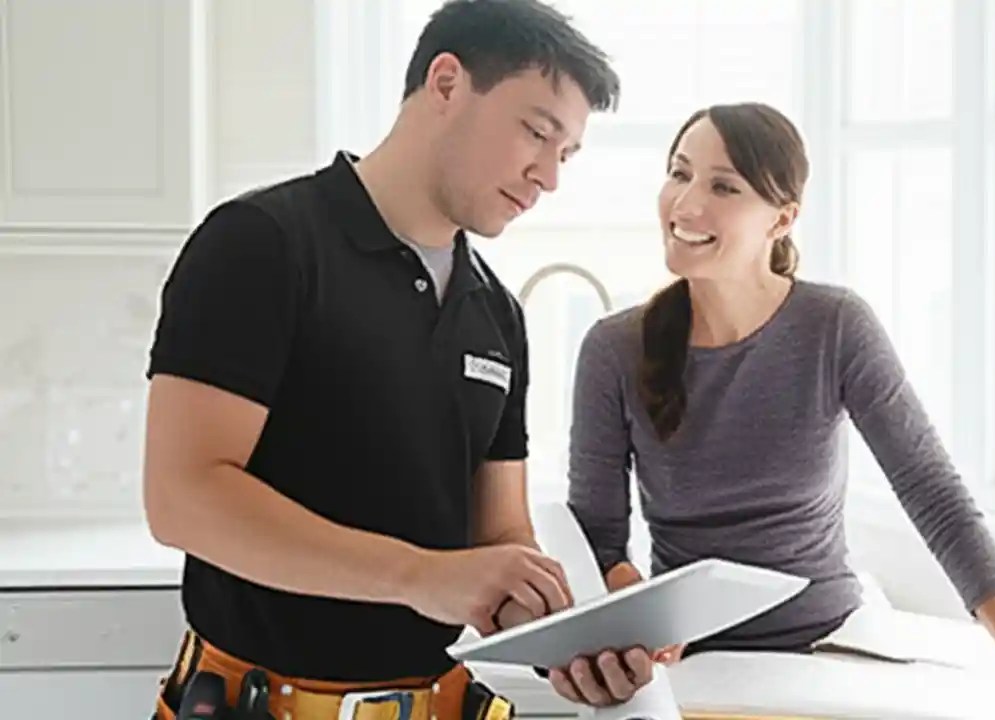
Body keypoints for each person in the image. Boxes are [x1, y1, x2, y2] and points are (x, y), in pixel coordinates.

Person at [141, 1, 657, 717]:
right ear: (446, 83)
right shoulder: (261, 244)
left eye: (565, 154)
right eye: (536, 133)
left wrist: (564, 642)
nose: (548, 177)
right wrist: (421, 576)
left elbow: (498, 537)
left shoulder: (498, 315)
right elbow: (182, 498)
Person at [565, 102, 995, 720]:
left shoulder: (835, 326)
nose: (686, 204)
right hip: (691, 664)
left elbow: (937, 500)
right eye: (679, 173)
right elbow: (597, 543)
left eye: (723, 186)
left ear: (783, 219)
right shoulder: (614, 348)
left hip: (832, 646)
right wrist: (640, 608)